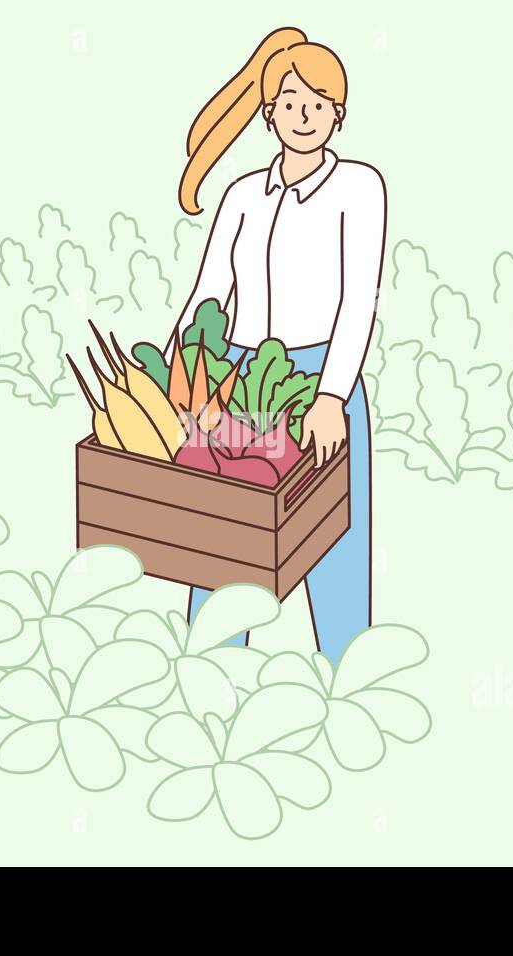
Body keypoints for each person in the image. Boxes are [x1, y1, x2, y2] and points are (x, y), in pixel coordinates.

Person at [177, 27, 387, 663]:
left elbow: (359, 302)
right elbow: (208, 297)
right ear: (270, 112)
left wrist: (331, 395)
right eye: (292, 101)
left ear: (338, 116)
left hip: (320, 377)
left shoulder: (359, 188)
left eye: (320, 104)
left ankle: (351, 677)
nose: (305, 116)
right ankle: (210, 678)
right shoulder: (243, 195)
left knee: (332, 544)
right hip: (237, 387)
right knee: (223, 543)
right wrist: (173, 378)